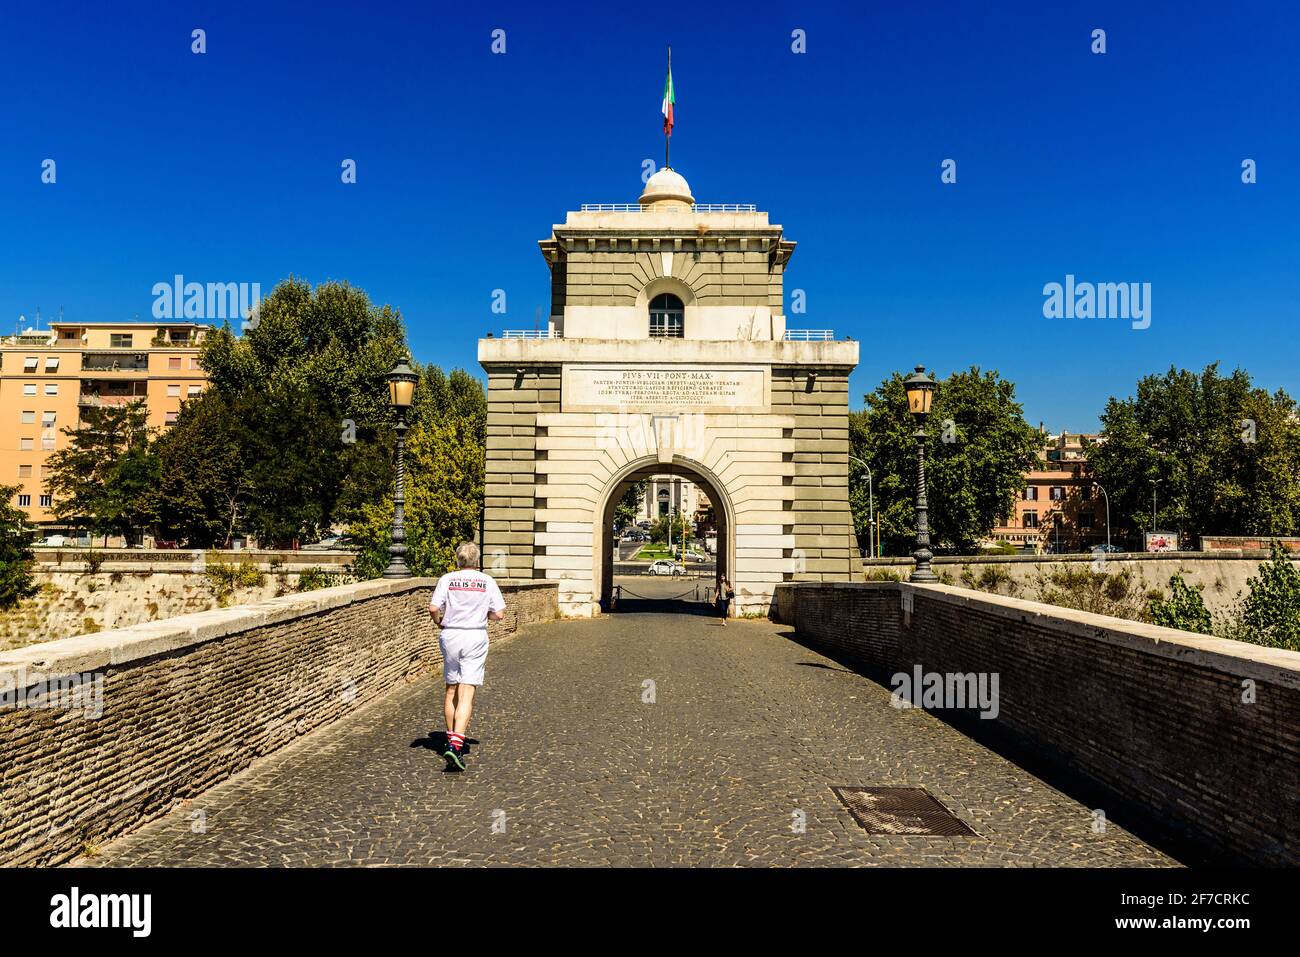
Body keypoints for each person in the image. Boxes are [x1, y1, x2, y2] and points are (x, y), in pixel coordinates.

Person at [429, 542, 505, 770]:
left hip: (451, 635)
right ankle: (456, 746)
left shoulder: (447, 579)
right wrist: (485, 614)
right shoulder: (487, 581)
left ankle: (450, 737)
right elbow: (499, 614)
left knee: (451, 688)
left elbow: (433, 607)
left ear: (458, 560)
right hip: (474, 637)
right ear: (477, 561)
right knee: (467, 691)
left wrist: (439, 622)